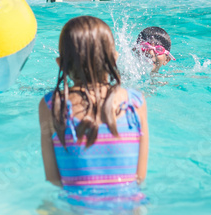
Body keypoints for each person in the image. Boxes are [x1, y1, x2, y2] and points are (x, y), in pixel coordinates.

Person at [38, 16, 149, 201]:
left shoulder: (51, 105)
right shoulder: (136, 103)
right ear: (115, 58)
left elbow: (53, 178)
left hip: (75, 205)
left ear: (60, 63)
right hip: (126, 206)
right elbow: (139, 177)